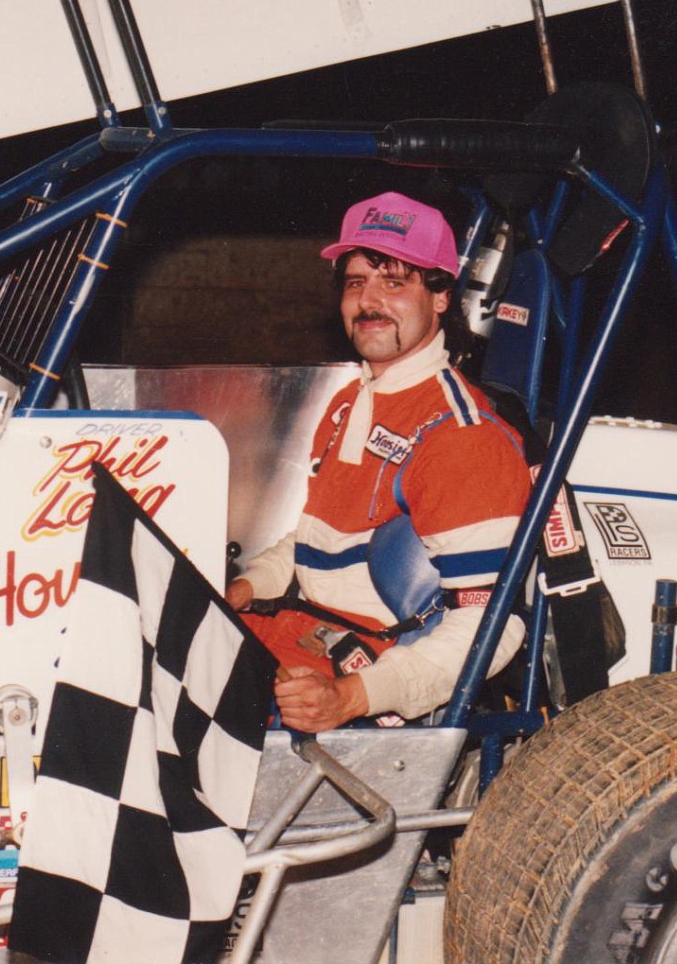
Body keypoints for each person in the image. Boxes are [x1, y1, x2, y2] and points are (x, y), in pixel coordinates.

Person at [226, 191, 532, 732]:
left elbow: (491, 624)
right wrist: (246, 587)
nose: (370, 301)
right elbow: (316, 541)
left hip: (365, 681)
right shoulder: (351, 402)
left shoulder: (462, 437)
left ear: (440, 297)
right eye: (356, 282)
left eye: (395, 282)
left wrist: (350, 697)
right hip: (302, 640)